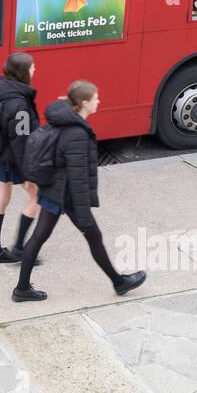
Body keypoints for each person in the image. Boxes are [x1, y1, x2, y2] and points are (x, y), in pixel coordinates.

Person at [12, 79, 146, 301]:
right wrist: (83, 214)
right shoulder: (77, 133)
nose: (99, 101)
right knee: (92, 236)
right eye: (95, 98)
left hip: (53, 188)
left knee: (38, 237)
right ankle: (119, 282)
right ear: (84, 103)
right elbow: (78, 178)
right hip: (66, 194)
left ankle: (22, 289)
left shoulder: (64, 120)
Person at [0, 52, 42, 265]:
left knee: (2, 198)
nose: (35, 71)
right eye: (33, 67)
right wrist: (28, 172)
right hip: (15, 157)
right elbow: (21, 139)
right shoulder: (19, 104)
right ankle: (19, 248)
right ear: (24, 72)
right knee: (39, 196)